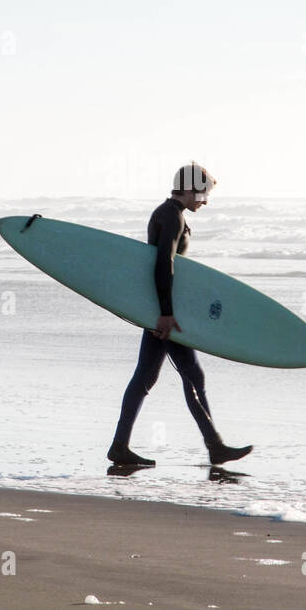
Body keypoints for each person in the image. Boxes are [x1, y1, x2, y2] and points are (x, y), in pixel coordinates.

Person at [107, 162, 253, 467]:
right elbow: (163, 264)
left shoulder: (169, 213)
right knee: (188, 376)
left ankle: (121, 447)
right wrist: (165, 313)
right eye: (203, 194)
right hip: (165, 312)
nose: (205, 201)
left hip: (160, 309)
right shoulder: (171, 217)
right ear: (189, 189)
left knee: (147, 377)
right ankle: (215, 446)